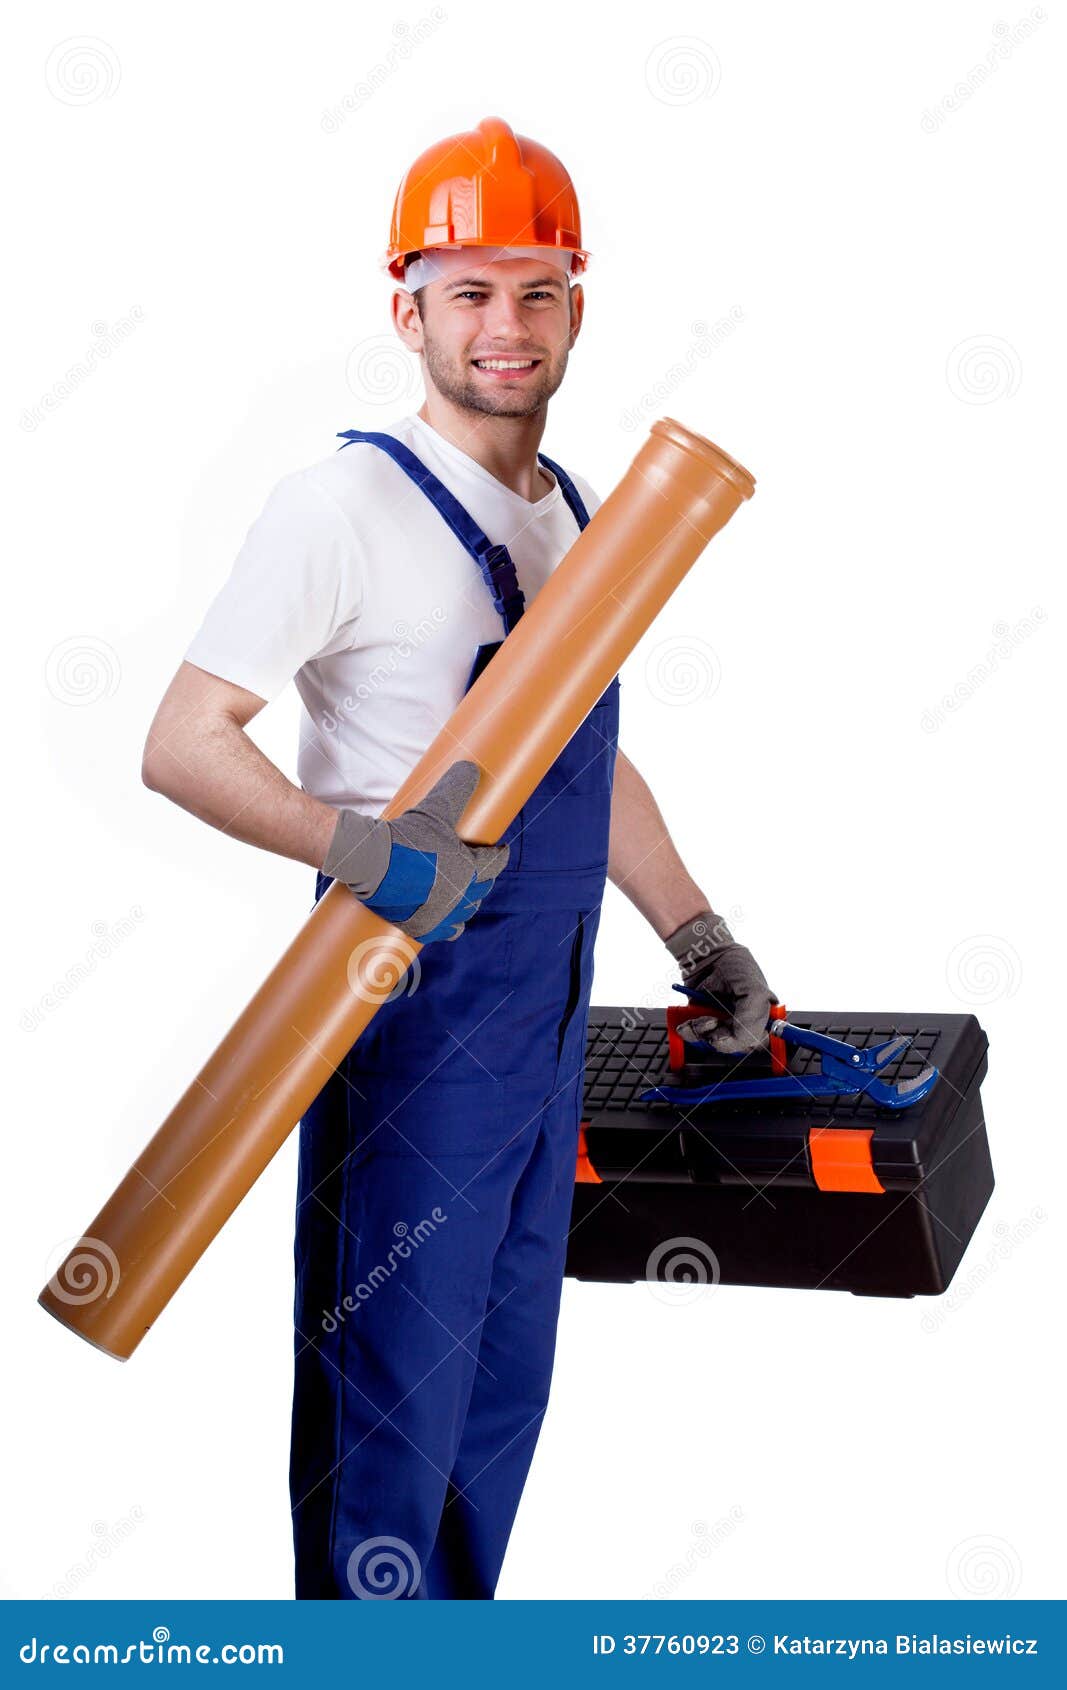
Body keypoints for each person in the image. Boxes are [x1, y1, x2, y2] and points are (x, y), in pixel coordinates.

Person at [141, 116, 774, 1600]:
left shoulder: (584, 516)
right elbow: (182, 739)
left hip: (546, 1006)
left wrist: (698, 936)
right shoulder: (343, 507)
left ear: (577, 308)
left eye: (538, 292)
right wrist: (359, 845)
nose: (508, 326)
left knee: (499, 1393)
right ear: (407, 306)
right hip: (404, 1005)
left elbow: (581, 759)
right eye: (472, 291)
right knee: (390, 1396)